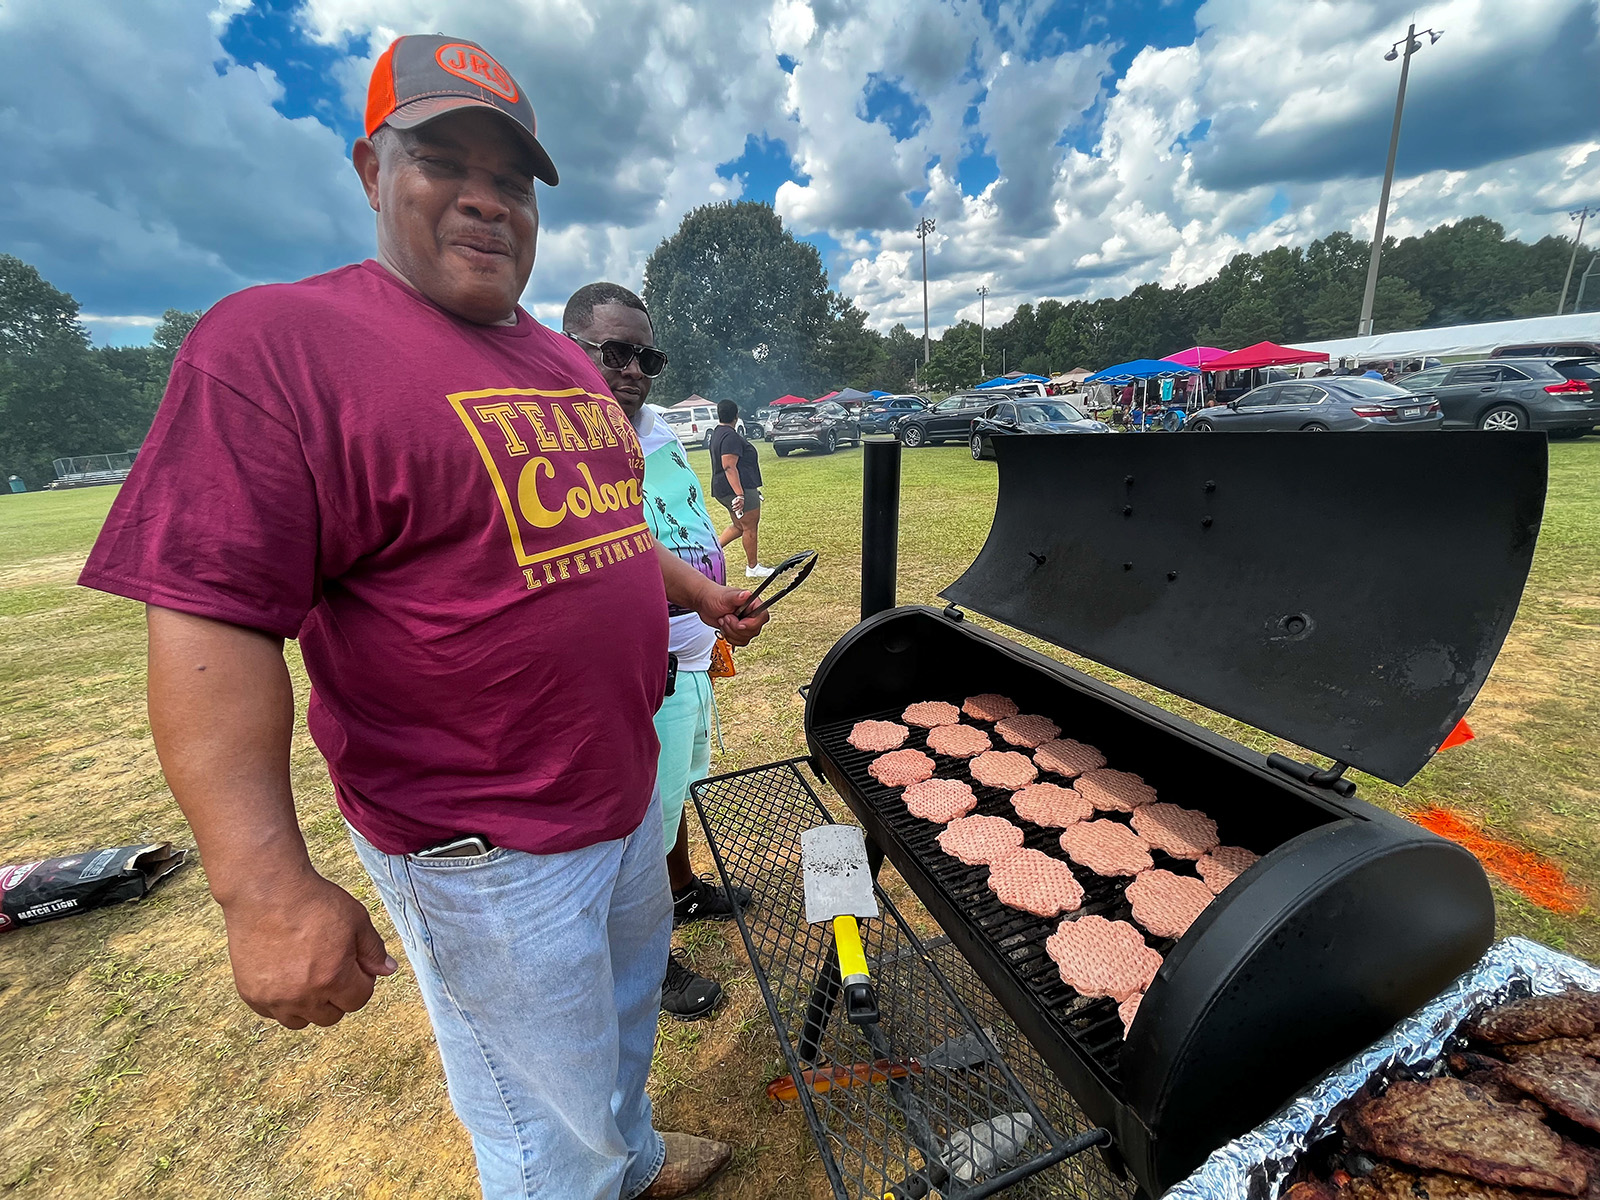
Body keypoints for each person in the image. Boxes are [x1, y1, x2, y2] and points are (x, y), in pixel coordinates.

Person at [78, 34, 766, 1200]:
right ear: (370, 171)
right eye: (445, 162)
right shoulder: (279, 345)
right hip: (483, 850)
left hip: (618, 792)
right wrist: (261, 886)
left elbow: (604, 526)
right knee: (537, 1117)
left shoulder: (564, 366)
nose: (487, 200)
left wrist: (696, 591)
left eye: (512, 180)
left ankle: (636, 1159)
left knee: (619, 1022)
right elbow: (209, 619)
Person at [562, 281, 750, 1022]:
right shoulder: (565, 443)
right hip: (639, 670)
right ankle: (649, 960)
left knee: (673, 793)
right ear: (570, 348)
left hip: (692, 649)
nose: (634, 370)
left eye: (647, 356)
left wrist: (710, 599)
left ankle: (682, 889)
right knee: (638, 814)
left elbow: (679, 519)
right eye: (615, 353)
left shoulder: (659, 427)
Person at [708, 401, 770, 578]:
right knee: (750, 526)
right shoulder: (730, 437)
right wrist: (740, 495)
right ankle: (753, 568)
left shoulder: (718, 433)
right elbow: (729, 466)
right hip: (737, 489)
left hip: (723, 488)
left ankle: (709, 554)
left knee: (738, 526)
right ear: (736, 416)